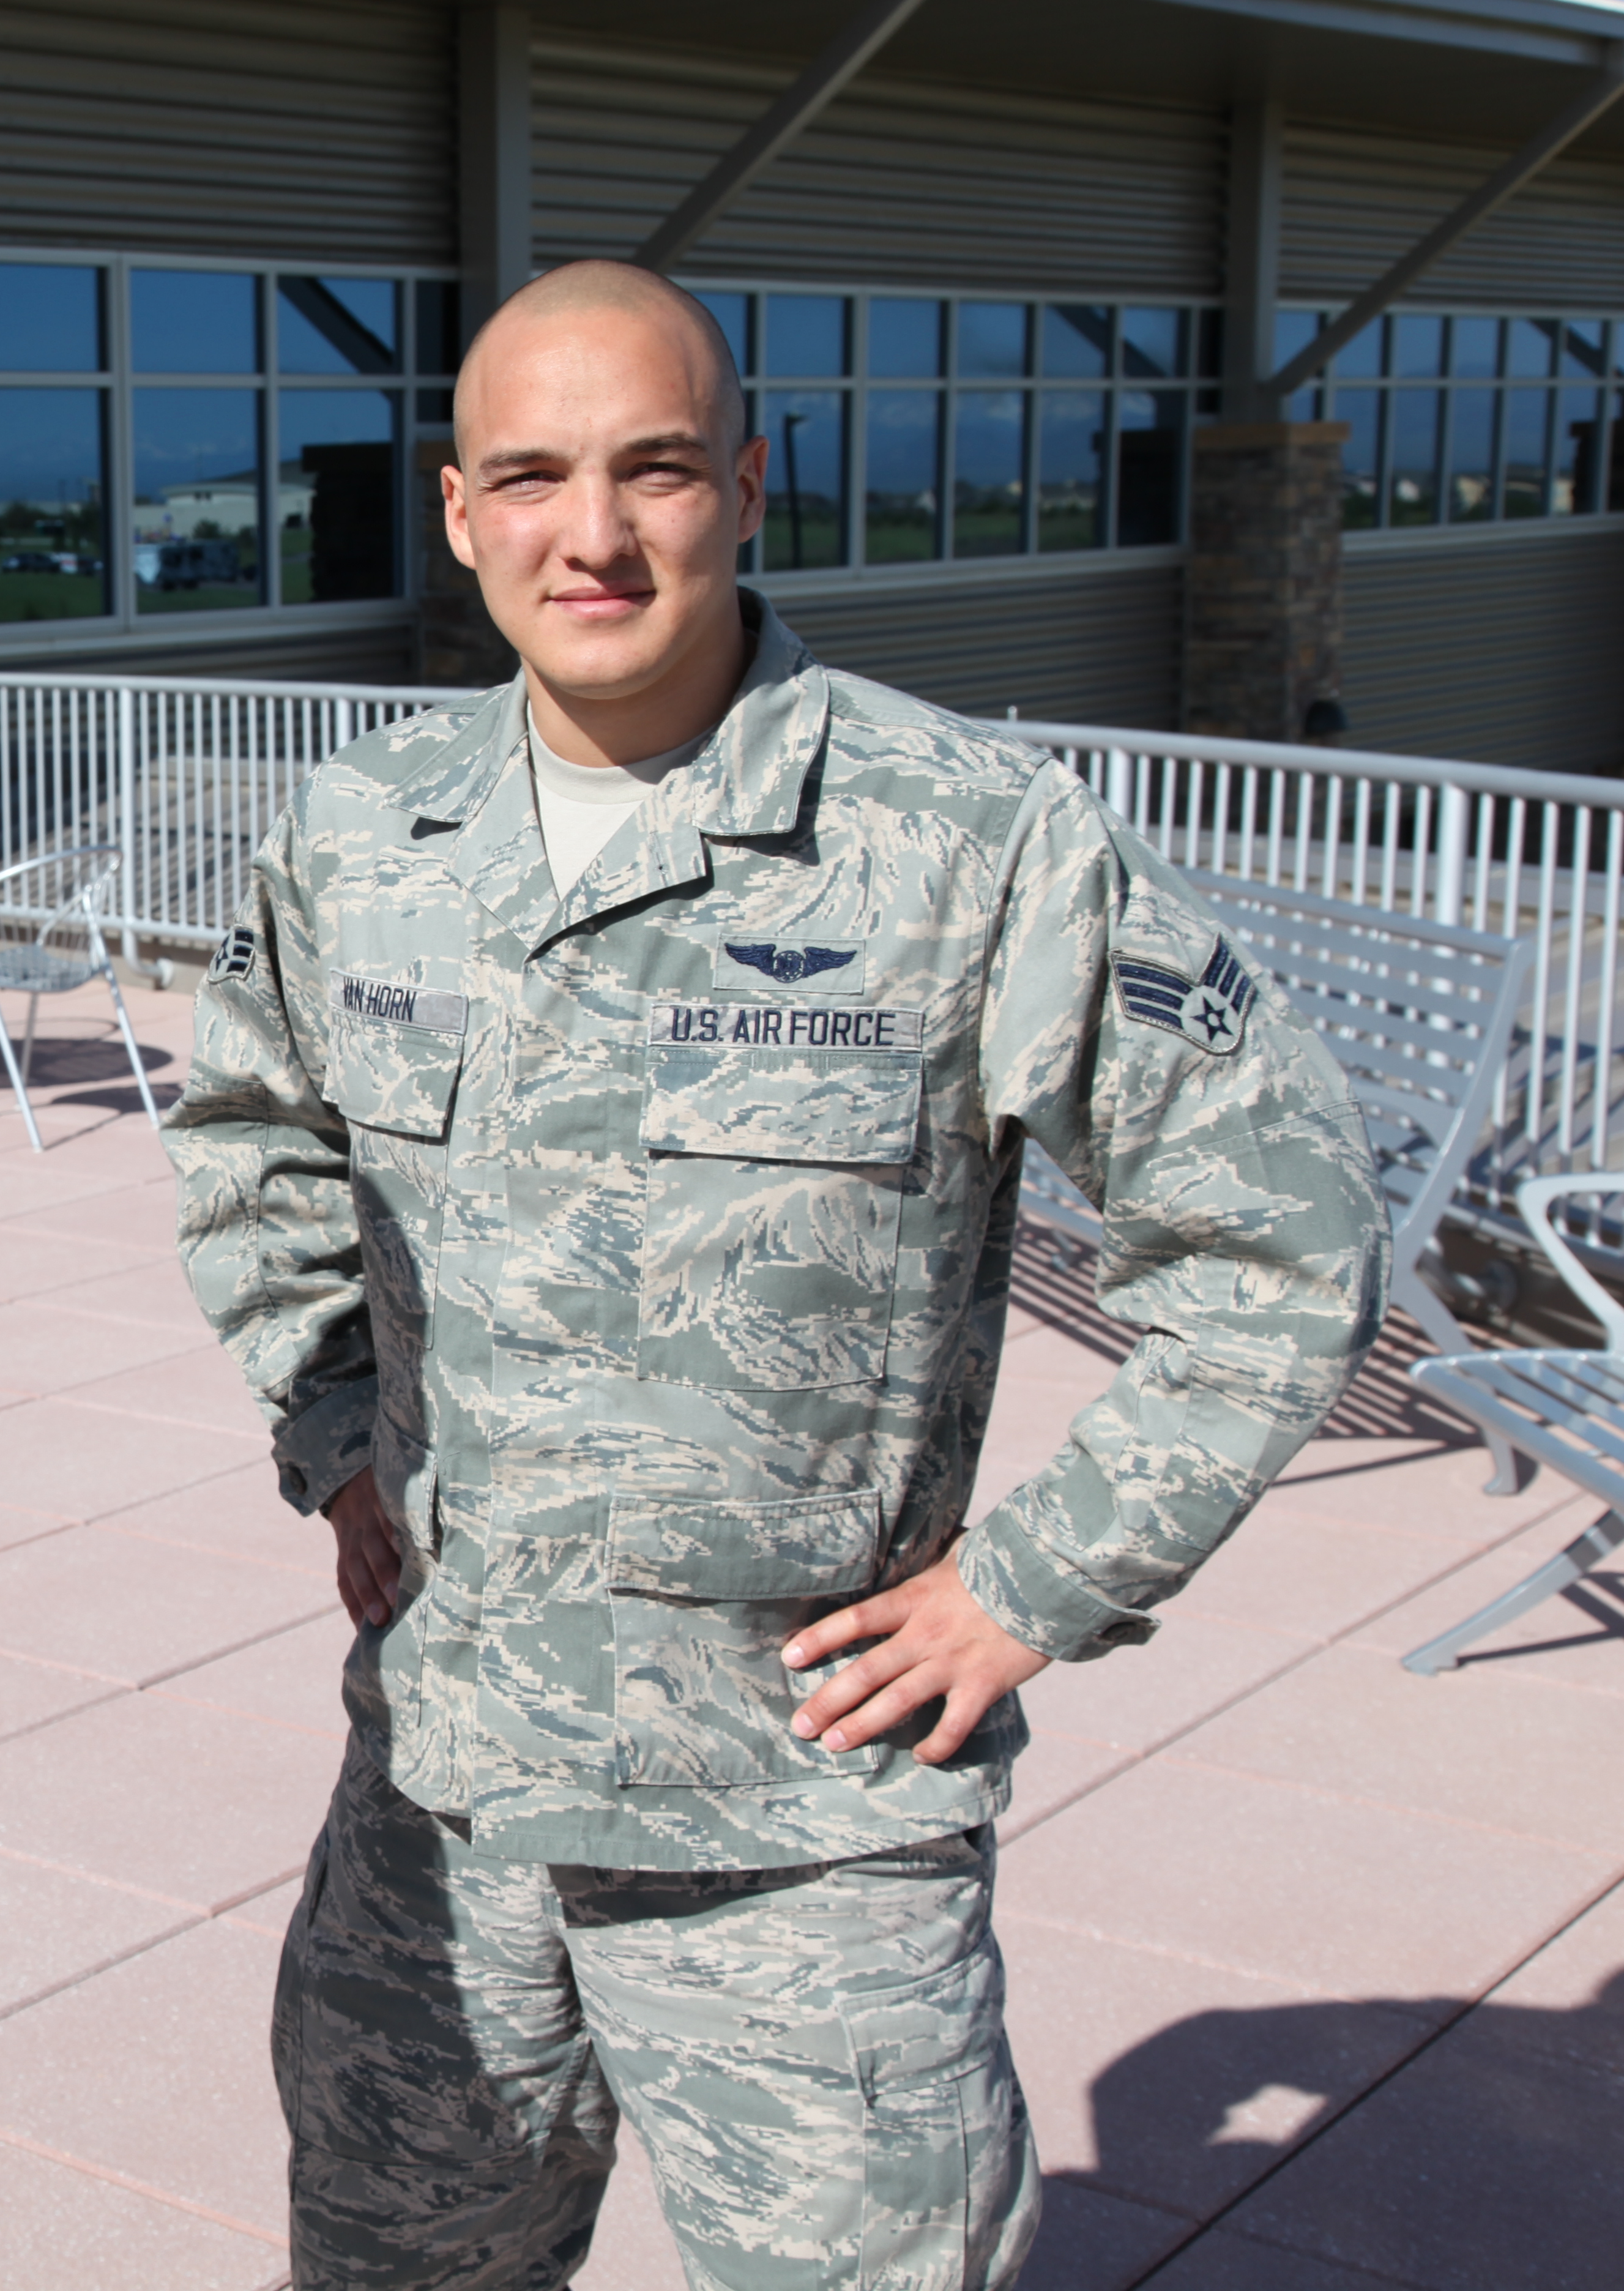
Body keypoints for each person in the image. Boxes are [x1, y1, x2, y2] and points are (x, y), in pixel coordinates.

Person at [165, 260, 1385, 2288]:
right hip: (441, 1816)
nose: (595, 531)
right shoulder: (362, 831)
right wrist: (341, 1431)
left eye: (653, 467)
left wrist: (1036, 1585)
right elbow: (251, 1134)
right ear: (460, 512)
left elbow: (1278, 1234)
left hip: (803, 1847)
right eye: (535, 477)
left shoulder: (971, 841)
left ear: (744, 484)